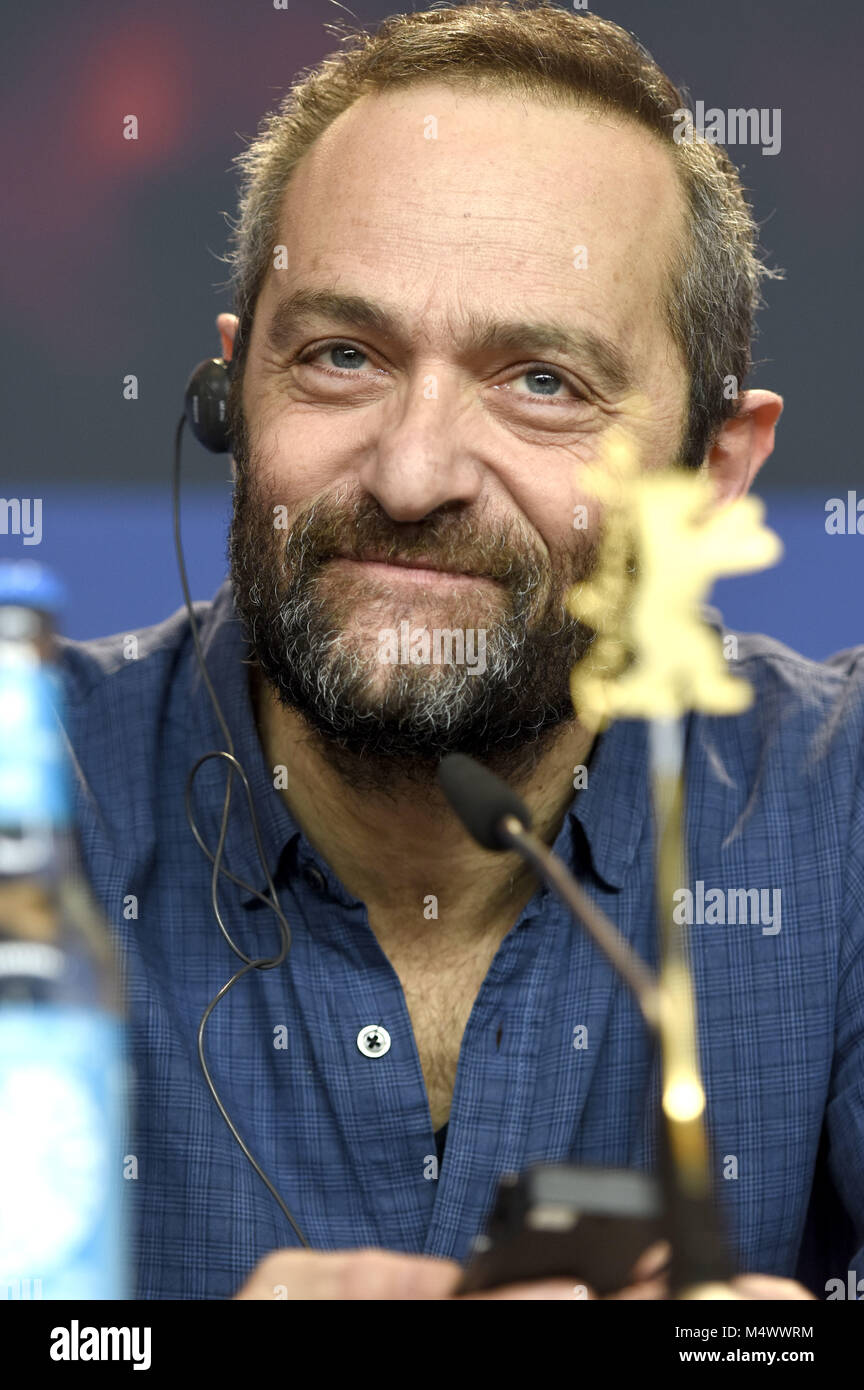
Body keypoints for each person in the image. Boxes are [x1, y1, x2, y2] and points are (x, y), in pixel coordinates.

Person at [59, 4, 861, 1299]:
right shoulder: (29, 799)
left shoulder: (841, 804)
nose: (415, 471)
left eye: (541, 379)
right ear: (231, 395)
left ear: (712, 471)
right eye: (341, 356)